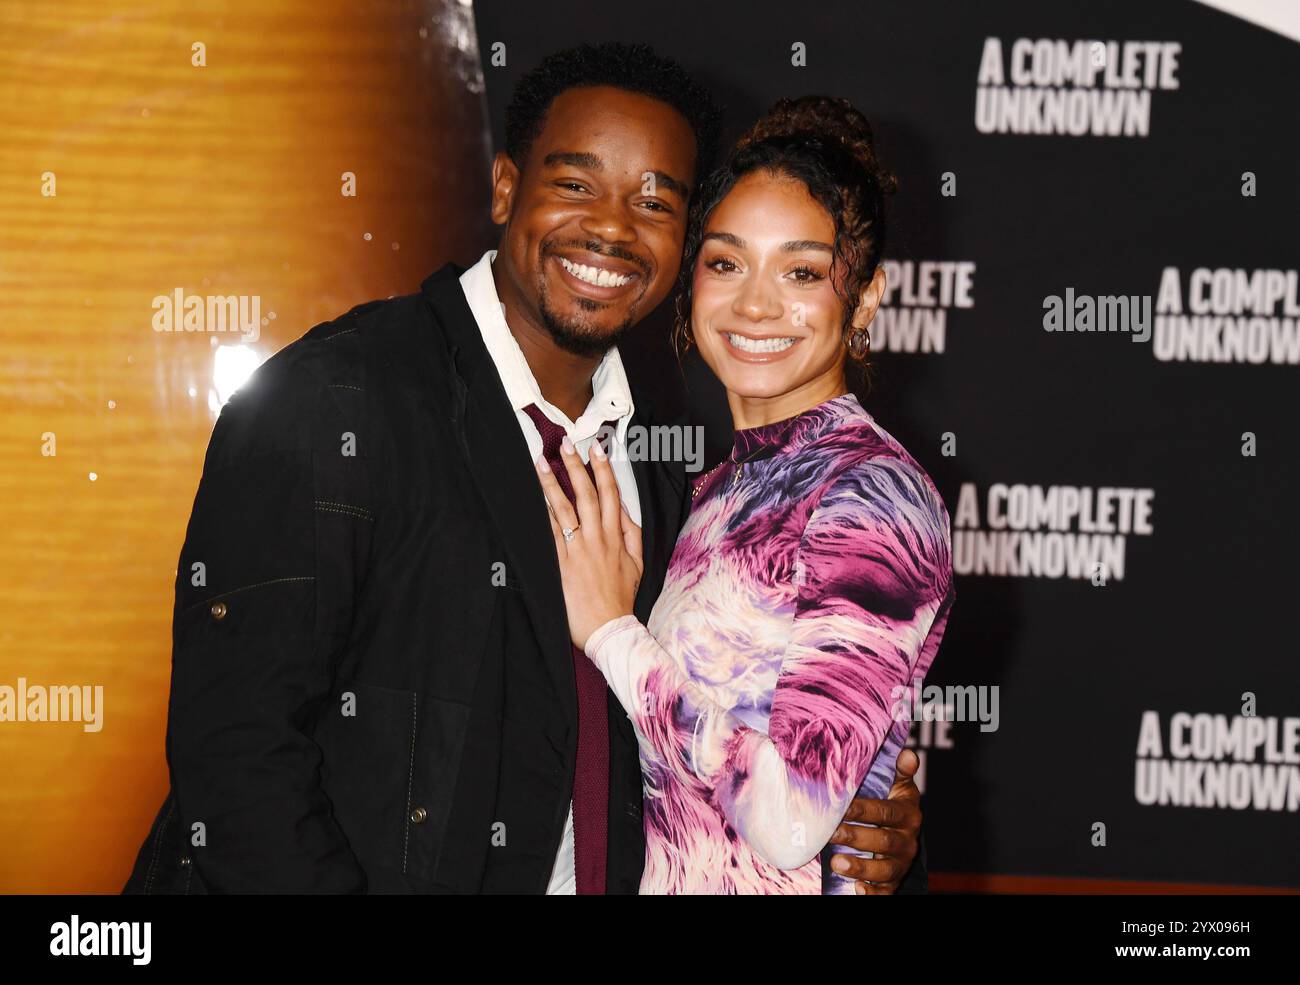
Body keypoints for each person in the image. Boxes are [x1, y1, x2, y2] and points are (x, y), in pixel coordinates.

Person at [124, 43, 925, 895]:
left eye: (654, 201)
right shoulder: (339, 395)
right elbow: (239, 752)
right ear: (507, 187)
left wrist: (869, 820)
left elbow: (731, 757)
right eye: (576, 183)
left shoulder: (672, 470)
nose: (612, 227)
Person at [533, 94, 955, 893]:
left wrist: (612, 631)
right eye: (726, 261)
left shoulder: (875, 494)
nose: (756, 303)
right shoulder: (713, 491)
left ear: (864, 297)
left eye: (801, 271)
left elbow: (790, 818)